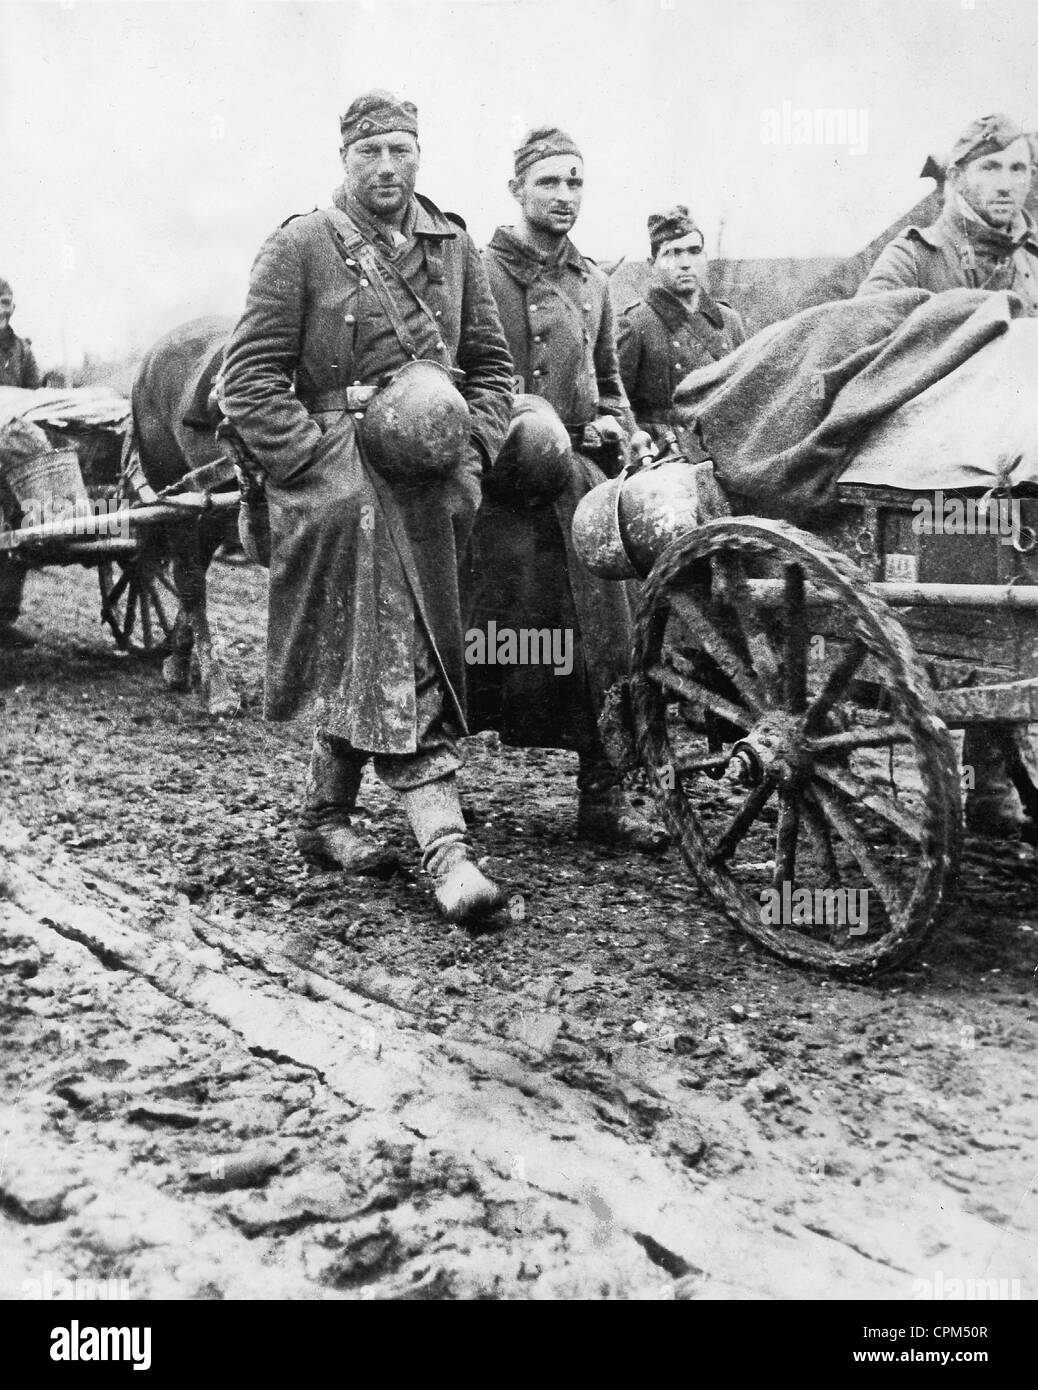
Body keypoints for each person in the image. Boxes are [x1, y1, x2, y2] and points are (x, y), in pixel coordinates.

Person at [219, 90, 515, 921]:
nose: (386, 168)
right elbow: (246, 384)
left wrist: (472, 461)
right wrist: (322, 465)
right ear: (343, 158)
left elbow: (492, 368)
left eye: (401, 151)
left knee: (387, 644)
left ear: (420, 154)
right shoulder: (302, 246)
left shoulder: (455, 247)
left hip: (431, 485)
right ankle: (449, 855)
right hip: (344, 482)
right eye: (369, 153)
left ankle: (324, 818)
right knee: (400, 649)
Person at [465, 125, 666, 852]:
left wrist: (617, 424)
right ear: (516, 187)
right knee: (486, 641)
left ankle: (604, 800)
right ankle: (438, 794)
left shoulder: (595, 283)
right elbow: (460, 379)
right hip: (501, 489)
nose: (564, 195)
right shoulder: (479, 273)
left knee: (605, 637)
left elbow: (610, 386)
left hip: (579, 487)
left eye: (576, 181)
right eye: (549, 181)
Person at [858, 114, 1038, 839]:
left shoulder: (1031, 262)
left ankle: (993, 779)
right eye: (991, 169)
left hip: (1023, 472)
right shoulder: (913, 259)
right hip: (933, 483)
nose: (1007, 184)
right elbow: (864, 352)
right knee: (979, 616)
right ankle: (965, 782)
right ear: (959, 176)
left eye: (1019, 169)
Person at [618, 206, 745, 455]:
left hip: (725, 446)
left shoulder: (728, 321)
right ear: (652, 264)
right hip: (666, 454)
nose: (685, 263)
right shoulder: (637, 323)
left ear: (705, 257)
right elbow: (616, 401)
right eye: (672, 253)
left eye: (693, 251)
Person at [0, 278, 41, 647]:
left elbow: (35, 399)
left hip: (11, 453)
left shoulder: (21, 351)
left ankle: (4, 619)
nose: (2, 310)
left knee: (21, 529)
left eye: (7, 302)